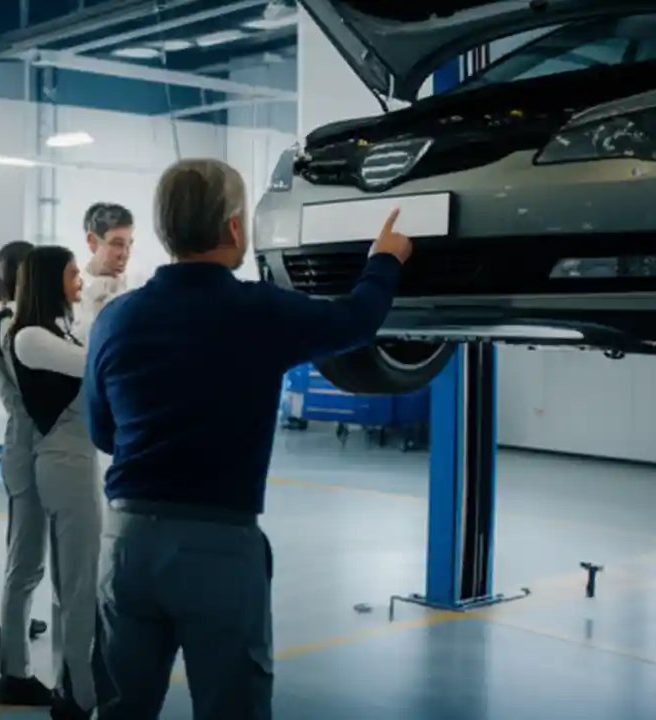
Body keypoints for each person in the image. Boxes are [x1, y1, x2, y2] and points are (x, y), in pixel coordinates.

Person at [83, 158, 413, 720]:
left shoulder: (116, 318)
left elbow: (103, 432)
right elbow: (356, 322)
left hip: (127, 543)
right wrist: (385, 259)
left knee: (121, 706)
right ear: (235, 227)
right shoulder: (258, 311)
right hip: (218, 546)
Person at [4, 246, 102, 720]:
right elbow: (93, 366)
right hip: (63, 463)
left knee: (74, 585)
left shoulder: (61, 330)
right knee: (78, 583)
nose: (79, 278)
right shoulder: (29, 338)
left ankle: (73, 685)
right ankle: (81, 694)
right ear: (48, 281)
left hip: (75, 460)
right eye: (71, 272)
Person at [0, 241, 52, 708]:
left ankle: (16, 648)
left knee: (24, 559)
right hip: (29, 443)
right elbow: (39, 389)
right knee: (25, 564)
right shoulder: (11, 324)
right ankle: (14, 673)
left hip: (23, 442)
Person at [73, 202, 136, 343]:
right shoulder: (72, 294)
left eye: (129, 244)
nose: (125, 254)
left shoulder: (136, 290)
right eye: (117, 244)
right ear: (92, 241)